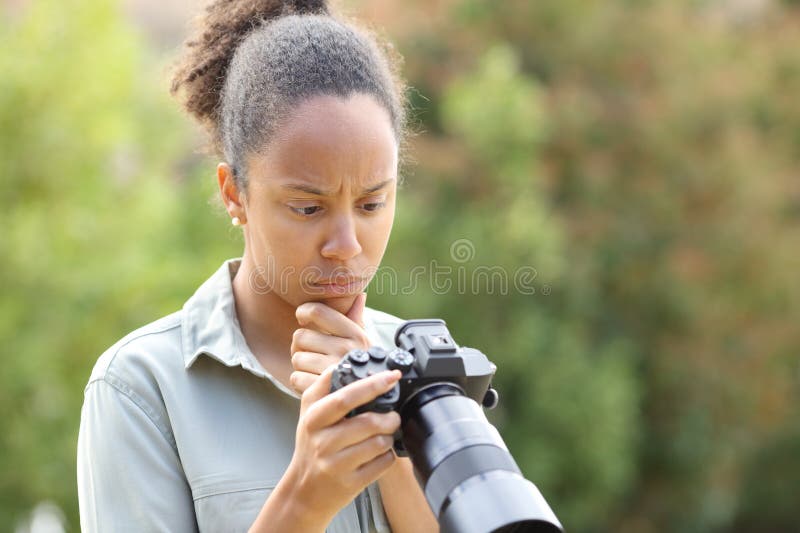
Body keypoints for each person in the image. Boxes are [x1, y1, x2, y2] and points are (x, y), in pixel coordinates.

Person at [76, 1, 439, 531]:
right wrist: (303, 498)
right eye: (308, 207)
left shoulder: (426, 366)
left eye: (371, 204)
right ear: (234, 194)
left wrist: (392, 425)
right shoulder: (139, 388)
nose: (346, 245)